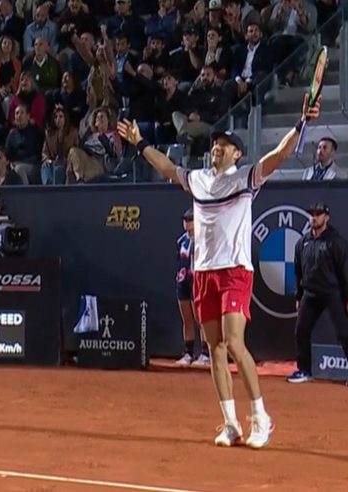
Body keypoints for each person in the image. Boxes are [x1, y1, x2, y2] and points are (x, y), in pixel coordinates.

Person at [116, 93, 321, 449]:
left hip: (235, 272)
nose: (217, 149)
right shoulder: (197, 180)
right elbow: (166, 168)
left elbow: (280, 155)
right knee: (214, 347)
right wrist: (140, 142)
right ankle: (230, 423)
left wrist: (301, 123)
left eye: (225, 145)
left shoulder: (246, 178)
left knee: (234, 342)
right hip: (203, 273)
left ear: (237, 154)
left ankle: (261, 417)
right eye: (215, 144)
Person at [288, 203, 348, 384]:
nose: (314, 217)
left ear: (326, 217)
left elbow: (345, 272)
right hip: (310, 292)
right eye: (312, 214)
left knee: (344, 332)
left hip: (332, 292)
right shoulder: (302, 242)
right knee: (301, 330)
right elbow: (298, 271)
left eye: (318, 214)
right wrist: (299, 296)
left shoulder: (336, 242)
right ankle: (304, 371)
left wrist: (346, 298)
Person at [175, 208, 210, 366]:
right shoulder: (181, 241)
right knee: (187, 318)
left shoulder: (204, 239)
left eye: (190, 222)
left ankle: (205, 353)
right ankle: (188, 353)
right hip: (183, 281)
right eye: (186, 222)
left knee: (200, 319)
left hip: (199, 281)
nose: (187, 226)